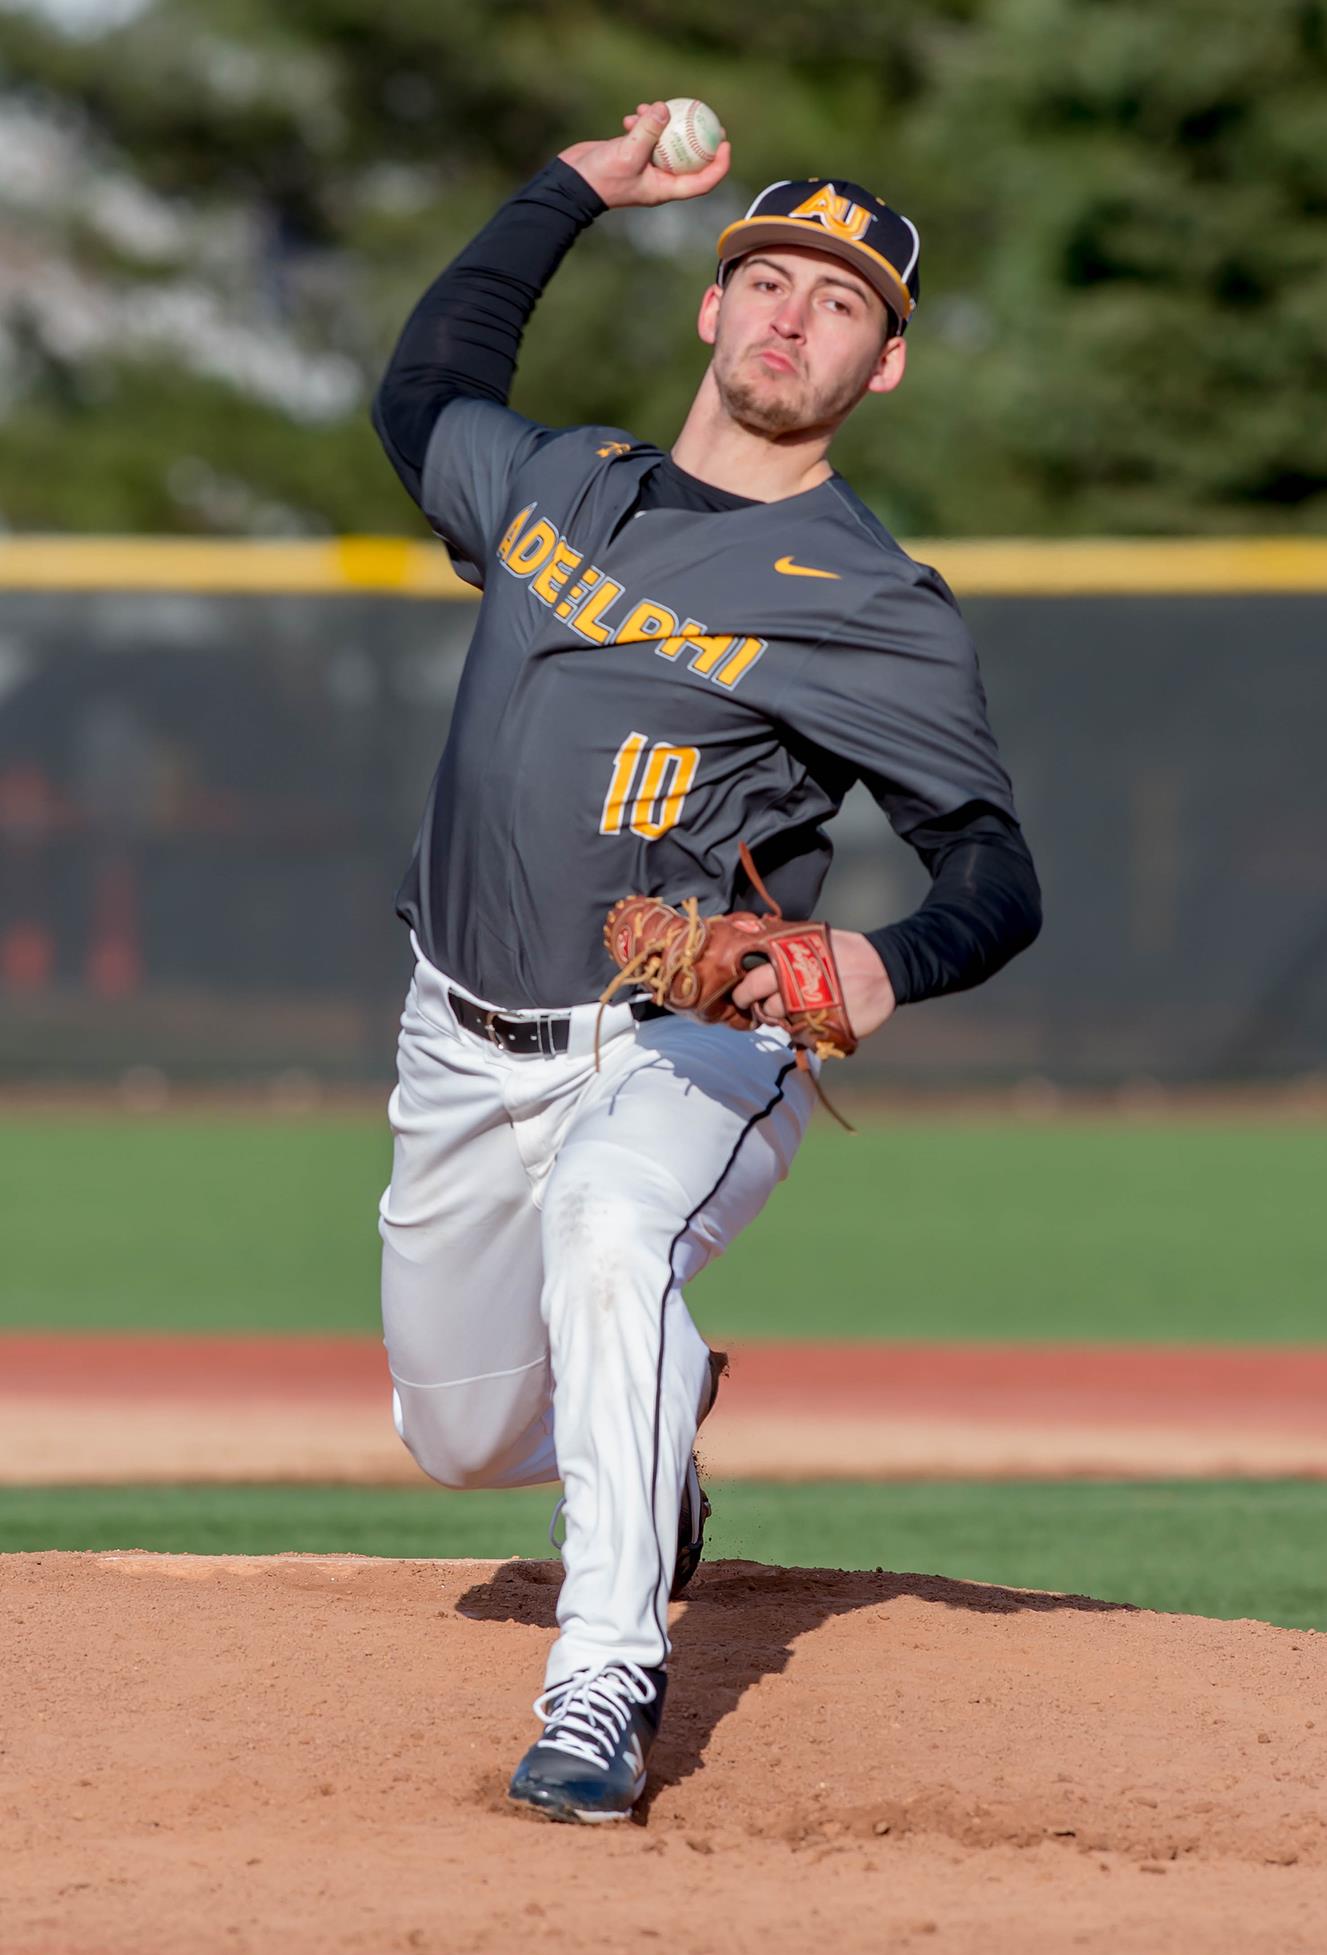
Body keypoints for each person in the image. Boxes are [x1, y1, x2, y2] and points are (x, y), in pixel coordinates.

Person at [371, 101, 1042, 1825]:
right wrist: (576, 187)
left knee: (610, 1231)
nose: (789, 315)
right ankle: (647, 1433)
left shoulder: (873, 600)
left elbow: (993, 867)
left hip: (678, 1049)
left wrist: (887, 962)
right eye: (765, 276)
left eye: (839, 302)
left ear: (881, 364)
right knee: (454, 1439)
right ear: (710, 305)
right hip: (454, 1032)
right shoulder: (554, 481)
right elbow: (422, 391)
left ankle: (599, 1685)